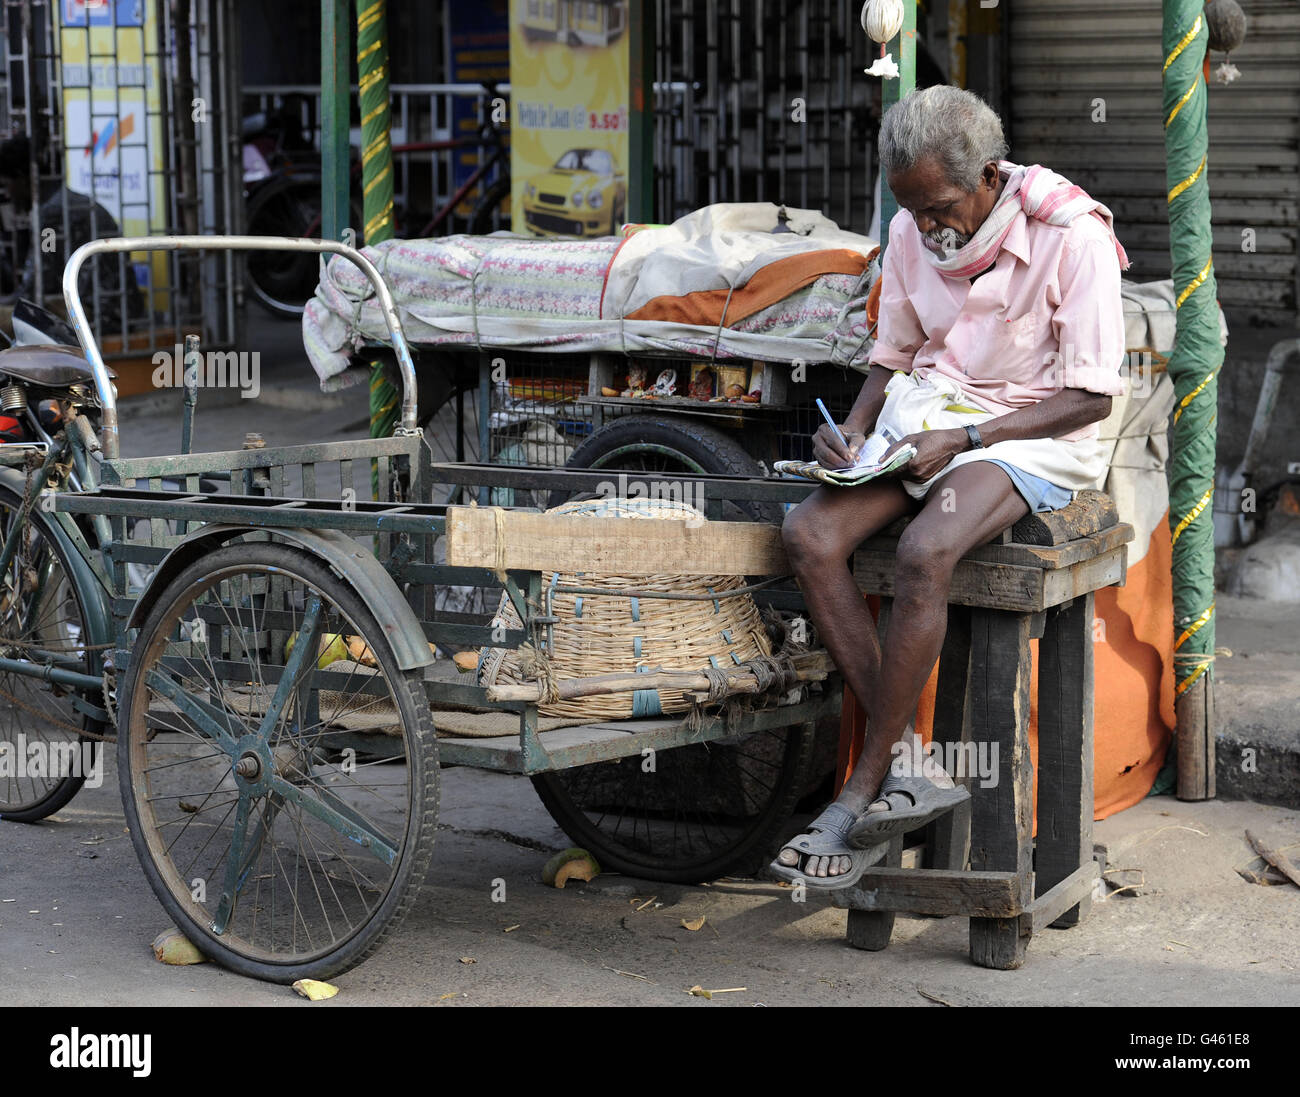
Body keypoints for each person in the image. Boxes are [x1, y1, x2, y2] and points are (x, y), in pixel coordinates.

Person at [772, 85, 1128, 887]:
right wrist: (859, 430)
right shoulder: (909, 225)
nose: (928, 227)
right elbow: (893, 353)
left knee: (928, 549)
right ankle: (910, 763)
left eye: (939, 207)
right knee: (808, 534)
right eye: (912, 210)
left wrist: (969, 438)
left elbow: (1092, 395)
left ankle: (868, 779)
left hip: (1031, 433)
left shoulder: (1072, 236)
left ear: (988, 176)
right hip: (927, 419)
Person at [0, 134, 144, 333]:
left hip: (100, 315)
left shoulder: (51, 215)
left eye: (6, 184)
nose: (6, 193)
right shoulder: (67, 202)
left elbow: (38, 285)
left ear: (23, 178)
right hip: (118, 310)